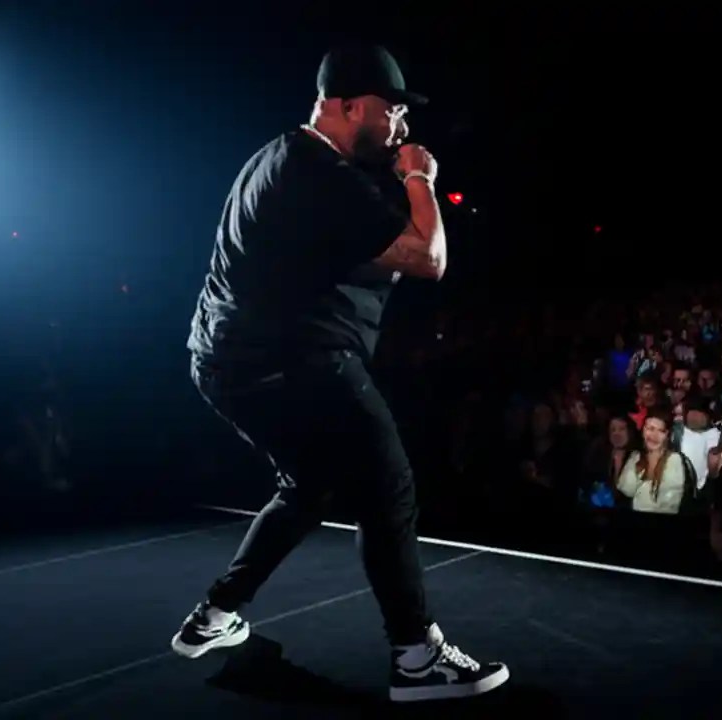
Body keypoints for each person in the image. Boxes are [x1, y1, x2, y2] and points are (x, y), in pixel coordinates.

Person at [170, 44, 508, 702]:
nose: (402, 126)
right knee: (389, 487)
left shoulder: (275, 157)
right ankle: (416, 657)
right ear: (350, 106)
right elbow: (427, 258)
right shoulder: (316, 171)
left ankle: (214, 615)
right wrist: (421, 179)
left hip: (225, 364)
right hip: (299, 365)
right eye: (393, 111)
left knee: (311, 484)